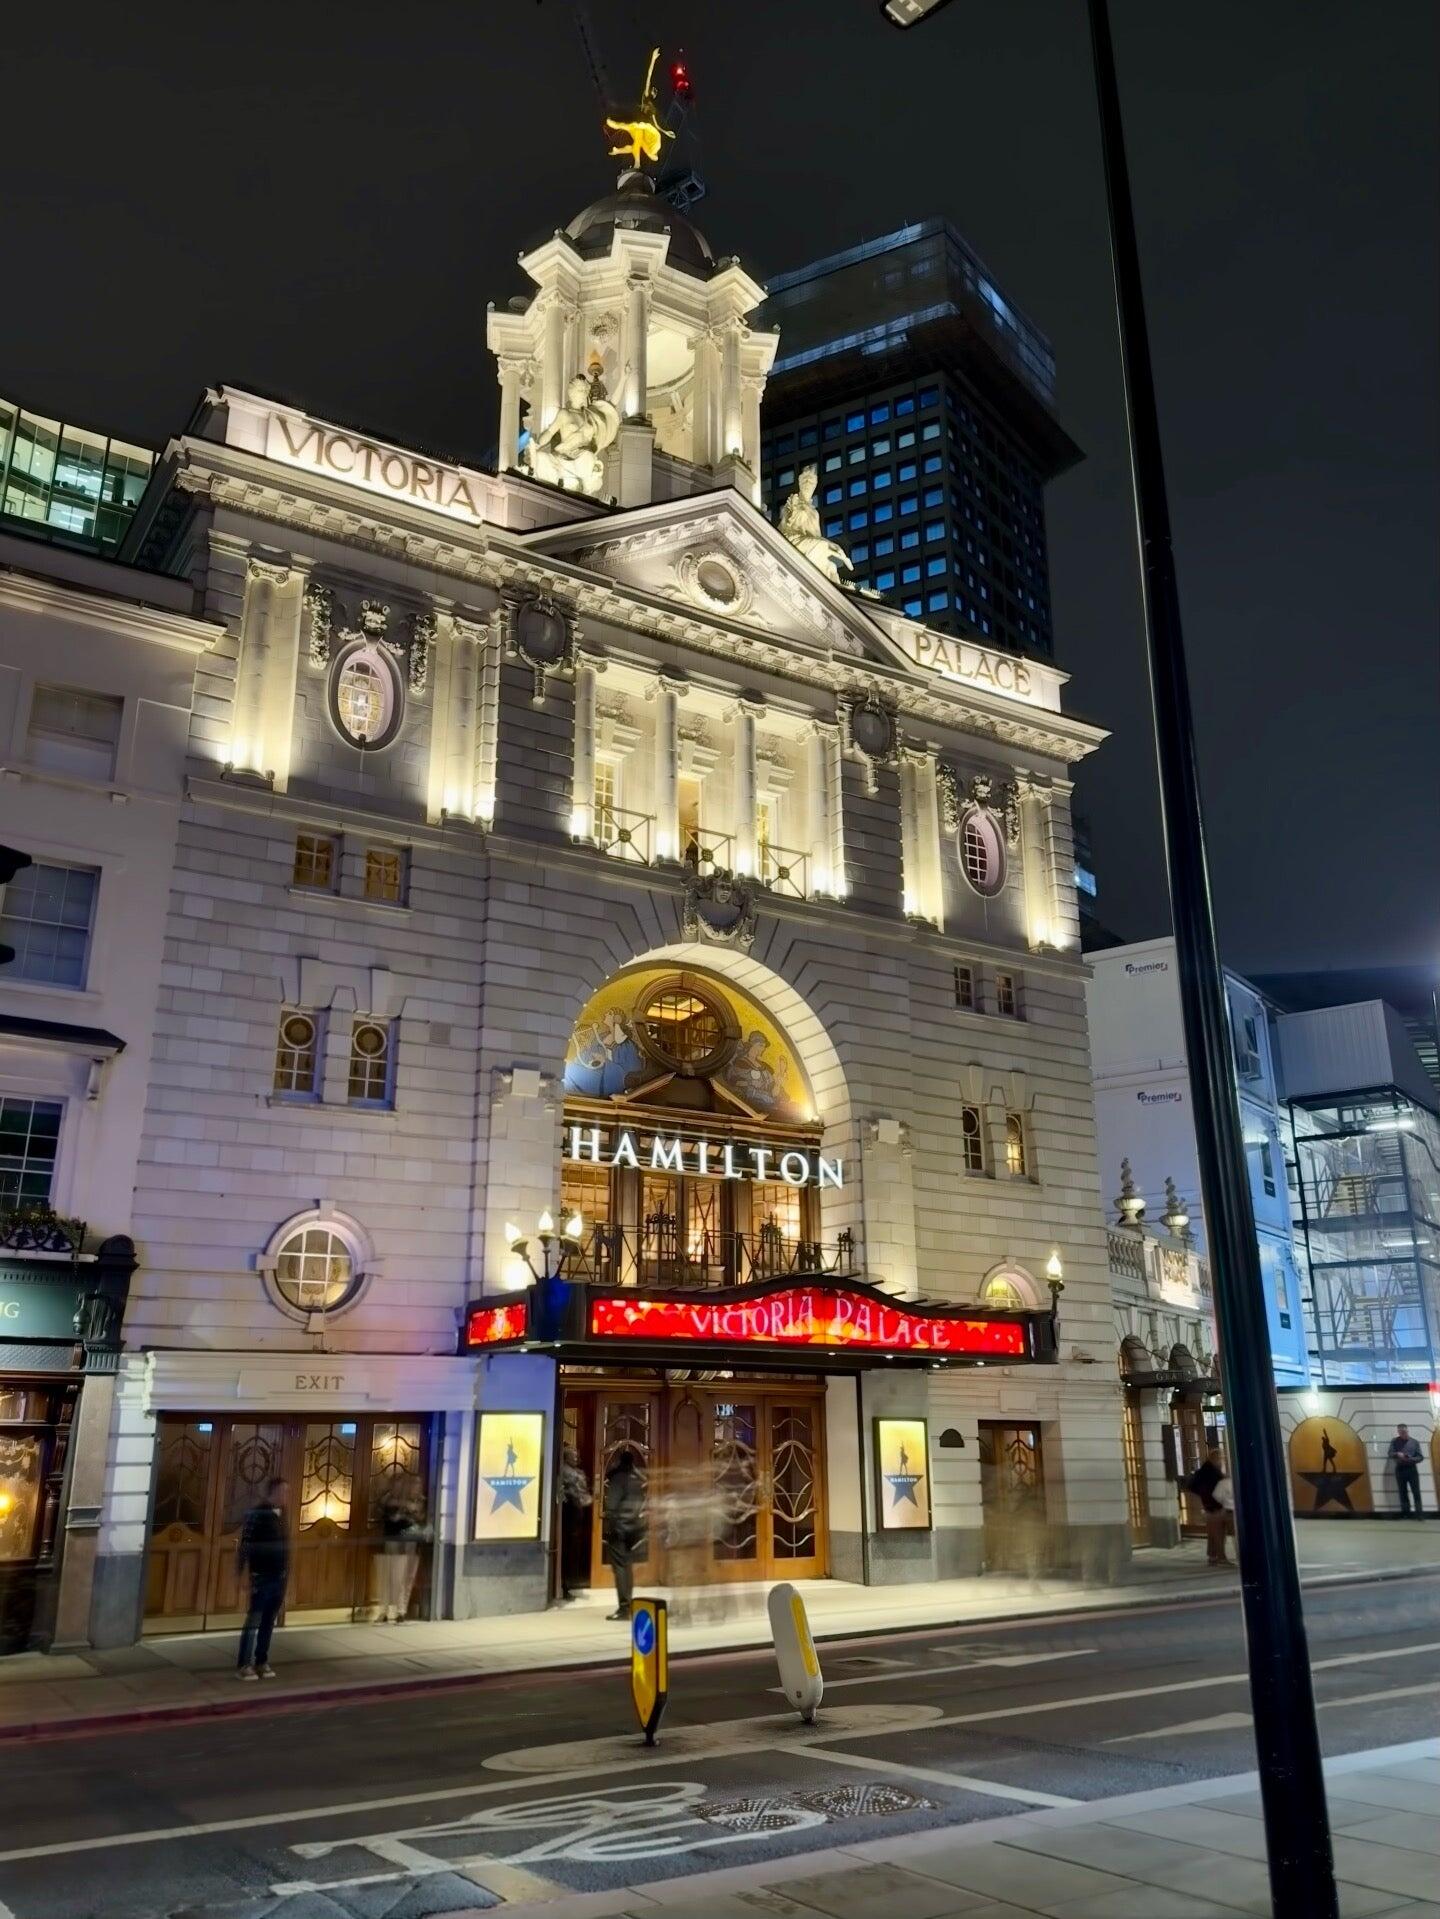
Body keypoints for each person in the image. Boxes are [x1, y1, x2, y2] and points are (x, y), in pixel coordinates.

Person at [236, 1476, 289, 1679]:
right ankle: (244, 1664)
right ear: (272, 1492)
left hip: (278, 1576)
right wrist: (242, 1574)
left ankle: (262, 1660)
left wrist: (285, 1573)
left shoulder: (283, 1515)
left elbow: (285, 1547)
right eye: (283, 1491)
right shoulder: (258, 1514)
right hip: (261, 1576)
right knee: (254, 1620)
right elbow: (245, 1544)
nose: (286, 1496)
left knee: (268, 1621)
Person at [601, 1448, 645, 1621]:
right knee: (627, 1567)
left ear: (619, 1462)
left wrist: (610, 1527)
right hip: (633, 1530)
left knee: (620, 1568)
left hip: (619, 1530)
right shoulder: (636, 1480)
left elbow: (611, 1506)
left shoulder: (618, 1479)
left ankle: (624, 1608)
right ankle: (628, 1605)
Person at [377, 1489, 424, 1622]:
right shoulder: (387, 1497)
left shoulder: (418, 1500)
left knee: (404, 1578)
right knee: (388, 1577)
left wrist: (409, 1513)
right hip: (391, 1540)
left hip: (408, 1542)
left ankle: (400, 1611)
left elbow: (420, 1518)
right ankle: (384, 1611)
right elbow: (380, 1513)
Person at [557, 1444, 593, 1602]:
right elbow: (580, 1494)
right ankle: (566, 1586)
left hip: (574, 1517)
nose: (577, 1458)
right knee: (569, 1552)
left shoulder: (574, 1472)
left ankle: (568, 1585)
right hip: (570, 1516)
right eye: (574, 1455)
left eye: (577, 1455)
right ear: (566, 1457)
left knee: (572, 1552)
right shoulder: (569, 1472)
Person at [1188, 1449, 1234, 1567]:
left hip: (1209, 1505)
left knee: (1213, 1533)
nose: (1222, 1461)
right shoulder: (1213, 1473)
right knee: (1219, 1534)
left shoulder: (1203, 1471)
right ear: (1215, 1458)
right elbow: (1217, 1490)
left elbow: (1192, 1486)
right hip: (1216, 1506)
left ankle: (1212, 1557)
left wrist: (1202, 1497)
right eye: (1221, 1458)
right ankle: (1221, 1557)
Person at [1388, 1425, 1425, 1518]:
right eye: (1400, 1432)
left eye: (1404, 1432)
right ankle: (1406, 1513)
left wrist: (1410, 1458)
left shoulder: (1414, 1442)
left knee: (1416, 1492)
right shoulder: (1394, 1441)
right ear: (1398, 1432)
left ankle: (1419, 1514)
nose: (1402, 1434)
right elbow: (1390, 1453)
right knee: (1403, 1492)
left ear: (1407, 1430)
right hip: (1400, 1469)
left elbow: (1420, 1457)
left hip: (1412, 1469)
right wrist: (1397, 1454)